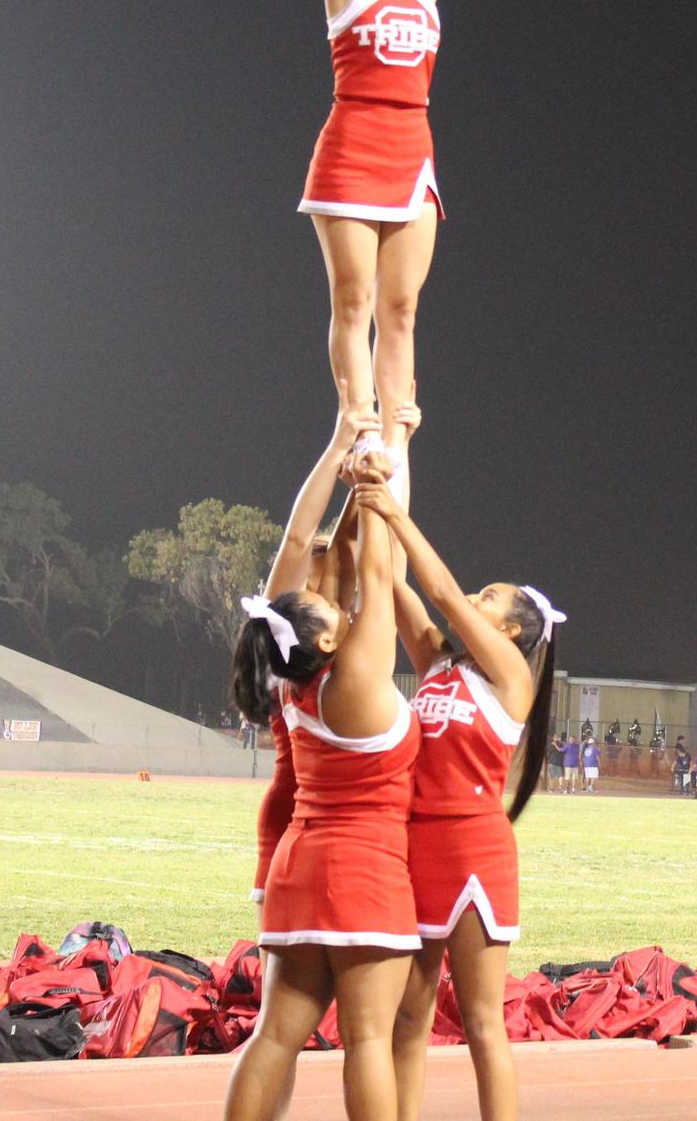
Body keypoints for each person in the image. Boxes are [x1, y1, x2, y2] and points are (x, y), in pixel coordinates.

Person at [272, 0, 567, 488]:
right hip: (351, 144)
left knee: (400, 309)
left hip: (412, 150)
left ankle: (397, 433)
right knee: (354, 300)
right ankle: (357, 419)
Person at [350, 470, 563, 1121]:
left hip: (475, 854)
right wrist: (376, 489)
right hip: (414, 852)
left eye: (488, 598)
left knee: (480, 1022)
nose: (473, 597)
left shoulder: (510, 680)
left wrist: (395, 514)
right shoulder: (437, 664)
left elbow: (441, 591)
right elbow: (391, 582)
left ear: (513, 632)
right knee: (407, 1017)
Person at [223, 447, 414, 1121]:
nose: (332, 600)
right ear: (325, 641)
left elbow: (332, 573)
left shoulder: (292, 677)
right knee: (369, 1040)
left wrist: (358, 485)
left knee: (276, 1035)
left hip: (297, 863)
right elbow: (378, 575)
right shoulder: (355, 679)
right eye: (323, 605)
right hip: (364, 869)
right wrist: (380, 483)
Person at [247, 396, 384, 907]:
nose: (327, 592)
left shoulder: (339, 637)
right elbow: (299, 539)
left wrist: (362, 484)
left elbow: (345, 550)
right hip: (302, 812)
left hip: (351, 823)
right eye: (312, 586)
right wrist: (347, 447)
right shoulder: (285, 640)